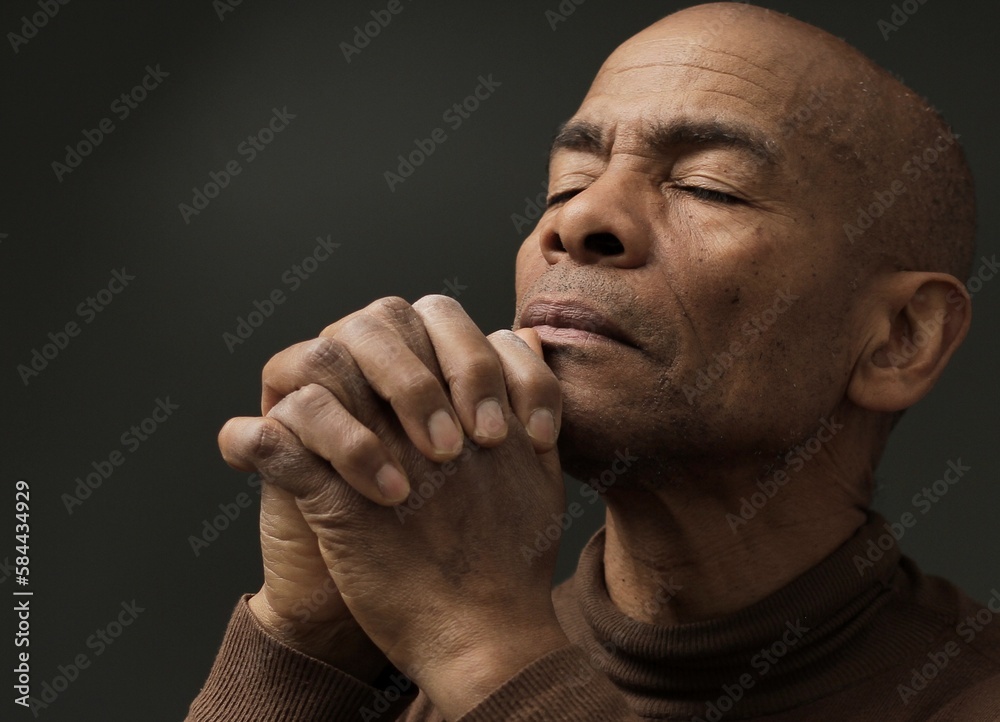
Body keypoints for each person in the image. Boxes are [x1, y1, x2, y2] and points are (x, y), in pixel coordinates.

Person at [186, 3, 999, 720]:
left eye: (709, 186)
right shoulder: (399, 670)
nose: (578, 221)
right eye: (567, 183)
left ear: (902, 336)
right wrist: (306, 645)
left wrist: (483, 650)